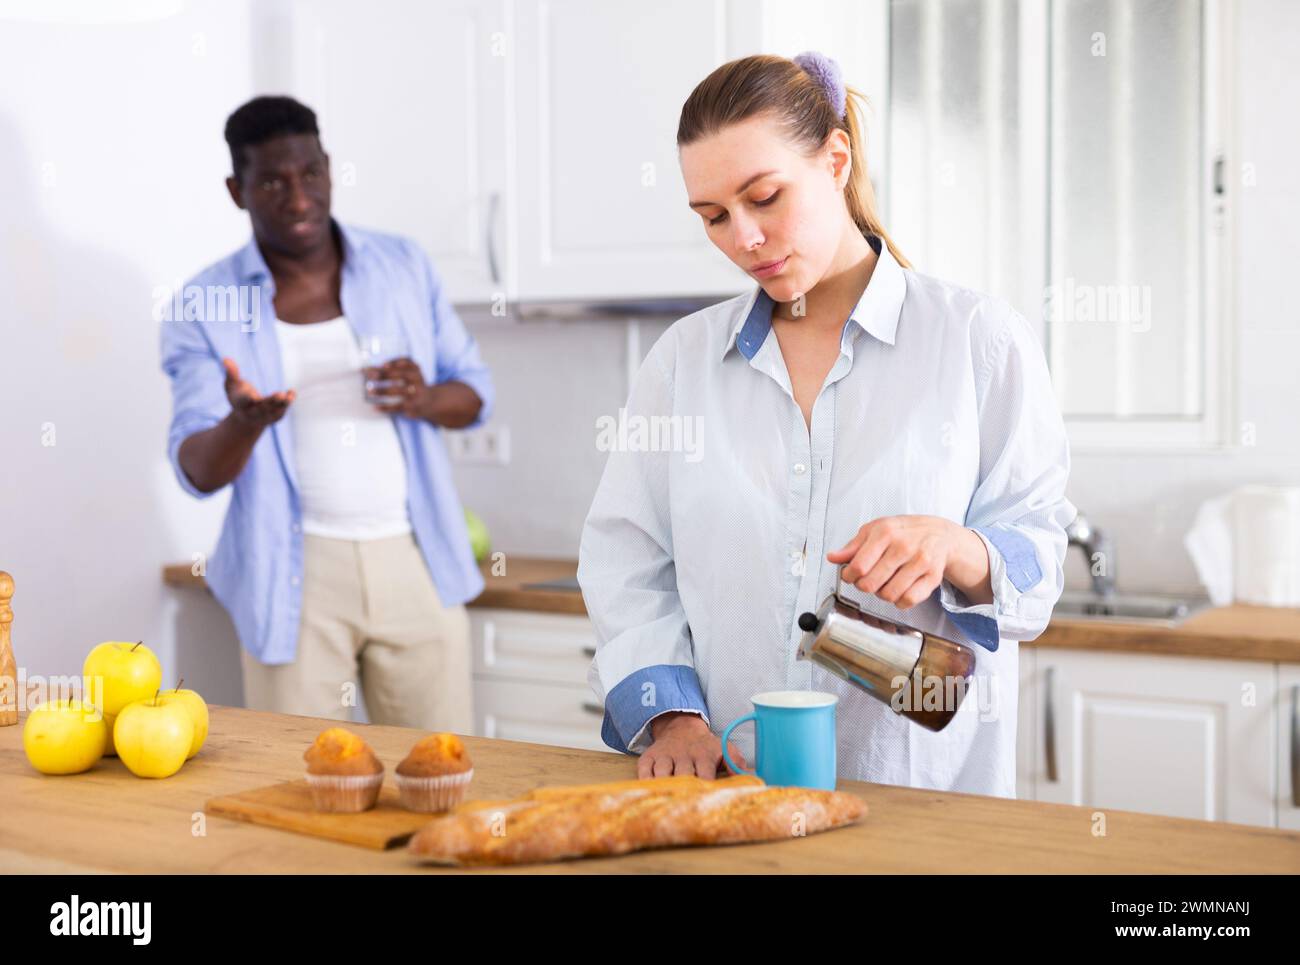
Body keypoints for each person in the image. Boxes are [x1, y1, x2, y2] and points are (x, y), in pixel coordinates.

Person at [577, 52, 1075, 796]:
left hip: (917, 796)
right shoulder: (683, 362)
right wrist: (672, 718)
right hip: (730, 791)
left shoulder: (977, 341)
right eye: (713, 216)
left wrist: (958, 547)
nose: (742, 238)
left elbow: (1039, 553)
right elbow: (626, 560)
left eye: (765, 197)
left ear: (835, 159)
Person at [160, 96, 493, 731]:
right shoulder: (204, 302)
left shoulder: (401, 266)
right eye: (272, 182)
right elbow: (197, 471)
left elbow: (474, 395)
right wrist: (245, 422)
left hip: (417, 558)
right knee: (301, 784)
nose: (298, 198)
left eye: (309, 174)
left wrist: (424, 398)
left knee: (443, 773)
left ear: (329, 169)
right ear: (238, 190)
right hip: (290, 573)